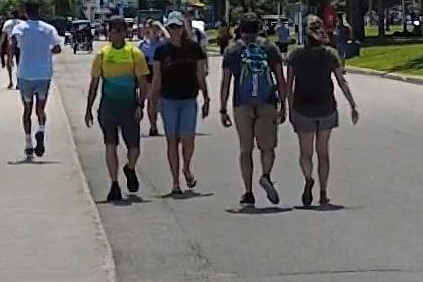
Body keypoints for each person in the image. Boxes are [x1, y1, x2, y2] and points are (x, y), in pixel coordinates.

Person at [283, 20, 361, 206]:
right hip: (326, 106)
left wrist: (288, 107)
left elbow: (289, 84)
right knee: (323, 152)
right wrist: (352, 104)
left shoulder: (296, 54)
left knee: (306, 152)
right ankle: (323, 192)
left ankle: (309, 178)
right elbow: (341, 80)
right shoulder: (330, 54)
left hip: (302, 106)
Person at [224, 17, 288, 209]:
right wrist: (283, 104)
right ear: (259, 29)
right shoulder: (269, 48)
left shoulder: (232, 51)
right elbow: (279, 77)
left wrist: (222, 107)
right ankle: (266, 175)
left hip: (241, 103)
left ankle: (248, 192)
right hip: (267, 102)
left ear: (240, 29)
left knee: (245, 149)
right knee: (267, 146)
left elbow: (226, 81)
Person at [88, 24, 150, 202]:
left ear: (124, 33)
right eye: (111, 30)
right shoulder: (102, 55)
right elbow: (94, 83)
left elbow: (143, 83)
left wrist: (140, 105)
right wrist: (89, 109)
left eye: (117, 31)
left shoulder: (134, 54)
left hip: (129, 106)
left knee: (134, 148)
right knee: (110, 145)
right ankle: (114, 183)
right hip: (108, 106)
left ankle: (130, 168)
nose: (113, 34)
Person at [152, 16, 213, 196]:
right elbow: (156, 79)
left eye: (177, 27)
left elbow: (200, 75)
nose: (174, 30)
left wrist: (207, 98)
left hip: (188, 99)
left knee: (188, 138)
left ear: (183, 29)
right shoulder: (161, 51)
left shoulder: (194, 49)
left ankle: (186, 168)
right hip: (168, 99)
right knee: (172, 141)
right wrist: (152, 102)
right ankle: (175, 183)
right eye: (171, 27)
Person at [4, 0, 63, 161]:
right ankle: (41, 130)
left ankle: (29, 144)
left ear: (26, 11)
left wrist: (10, 58)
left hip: (25, 73)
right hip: (44, 74)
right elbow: (57, 48)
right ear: (39, 11)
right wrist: (45, 50)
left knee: (27, 109)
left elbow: (12, 44)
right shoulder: (48, 29)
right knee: (41, 108)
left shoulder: (19, 28)